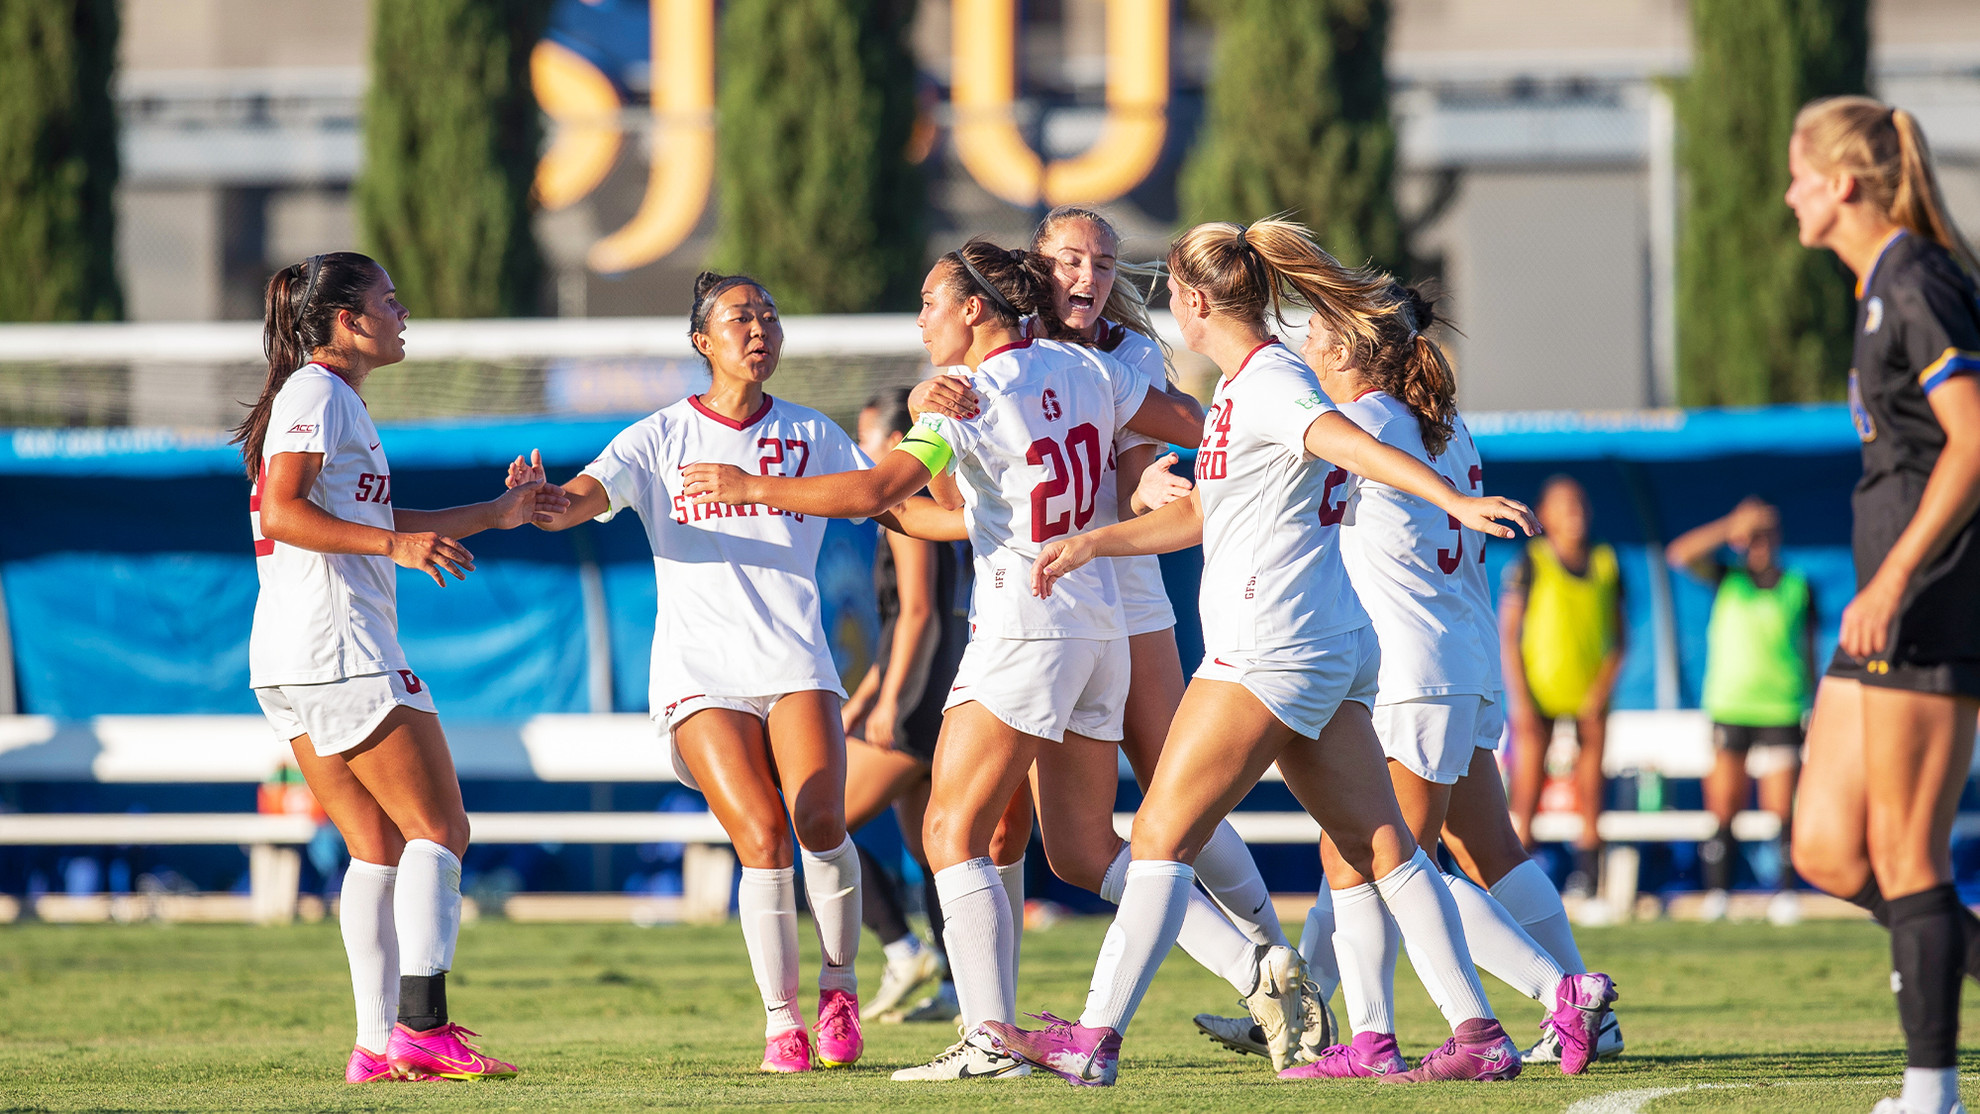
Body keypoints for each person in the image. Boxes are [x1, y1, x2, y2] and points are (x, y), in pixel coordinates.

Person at [979, 218, 1540, 1087]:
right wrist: (1095, 542)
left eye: (1171, 292)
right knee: (1382, 844)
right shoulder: (1247, 384)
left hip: (1268, 645)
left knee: (1159, 836)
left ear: (1195, 302)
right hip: (1324, 644)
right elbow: (1205, 513)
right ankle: (1476, 1032)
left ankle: (1093, 1040)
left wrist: (1450, 499)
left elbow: (1345, 442)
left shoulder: (1272, 381)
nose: (1167, 307)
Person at [681, 238, 1217, 1081]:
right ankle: (1255, 964)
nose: (922, 319)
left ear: (974, 309)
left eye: (931, 302)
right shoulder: (1089, 367)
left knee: (949, 831)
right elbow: (1198, 425)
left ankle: (989, 1039)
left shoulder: (964, 398)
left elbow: (874, 493)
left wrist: (751, 485)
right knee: (1086, 848)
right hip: (1101, 631)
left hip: (1023, 627)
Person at [914, 209, 1318, 1067]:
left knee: (1175, 794)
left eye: (1104, 263)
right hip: (1056, 594)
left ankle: (1267, 962)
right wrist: (928, 402)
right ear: (1035, 267)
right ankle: (997, 1022)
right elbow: (969, 498)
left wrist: (1146, 490)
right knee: (1023, 835)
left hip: (1112, 597)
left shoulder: (1121, 354)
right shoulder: (1007, 355)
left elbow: (1156, 447)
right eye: (1071, 260)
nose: (1089, 278)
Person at [1188, 283, 1610, 1081]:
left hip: (1409, 666)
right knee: (1452, 850)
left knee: (1394, 862)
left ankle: (1561, 992)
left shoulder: (1364, 425)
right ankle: (1364, 1029)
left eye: (1316, 333)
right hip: (1460, 657)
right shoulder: (1441, 423)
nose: (1303, 346)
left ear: (1350, 349)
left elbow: (1278, 481)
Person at [514, 272, 872, 1075]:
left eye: (770, 315)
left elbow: (885, 497)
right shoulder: (659, 437)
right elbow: (578, 500)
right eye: (741, 317)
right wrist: (545, 501)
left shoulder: (812, 431)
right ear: (703, 341)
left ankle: (839, 987)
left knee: (820, 820)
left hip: (796, 661)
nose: (760, 328)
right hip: (700, 671)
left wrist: (966, 501)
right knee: (763, 833)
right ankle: (782, 1023)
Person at [237, 251, 553, 1083]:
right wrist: (393, 546)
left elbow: (362, 510)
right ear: (347, 321)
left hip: (291, 656)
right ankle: (423, 1026)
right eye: (388, 299)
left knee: (376, 846)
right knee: (440, 830)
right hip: (339, 647)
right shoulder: (317, 392)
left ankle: (376, 1045)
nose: (402, 311)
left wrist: (496, 513)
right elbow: (284, 512)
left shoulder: (326, 396)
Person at [1780, 95, 1980, 1114]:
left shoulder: (1917, 279)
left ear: (1843, 184)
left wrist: (1896, 576)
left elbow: (1973, 440)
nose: (1789, 196)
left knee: (1908, 855)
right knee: (1824, 847)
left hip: (1925, 596)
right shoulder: (1876, 288)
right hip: (1880, 607)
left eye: (1798, 177)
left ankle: (1930, 1090)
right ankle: (1942, 961)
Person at [839, 388, 969, 1023]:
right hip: (918, 684)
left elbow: (917, 612)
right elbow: (897, 628)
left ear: (900, 443)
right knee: (930, 849)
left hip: (919, 693)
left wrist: (889, 702)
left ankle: (900, 949)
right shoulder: (912, 506)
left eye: (867, 438)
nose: (859, 449)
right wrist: (863, 698)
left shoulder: (910, 504)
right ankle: (957, 985)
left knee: (814, 826)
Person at [1667, 497, 1813, 925]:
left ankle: (1785, 892)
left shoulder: (1798, 586)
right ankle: (1719, 892)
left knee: (1781, 807)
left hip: (1782, 708)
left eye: (1766, 535)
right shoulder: (1727, 577)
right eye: (1752, 537)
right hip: (1731, 706)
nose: (1759, 544)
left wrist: (1813, 705)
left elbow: (1809, 651)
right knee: (1724, 804)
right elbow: (1680, 554)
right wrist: (1732, 523)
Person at [1501, 475, 1626, 898]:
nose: (1575, 513)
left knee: (1591, 791)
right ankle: (1519, 884)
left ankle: (1589, 882)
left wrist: (1600, 691)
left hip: (1589, 695)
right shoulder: (1531, 562)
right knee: (1527, 792)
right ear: (1544, 514)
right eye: (1564, 505)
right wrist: (1520, 700)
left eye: (1580, 503)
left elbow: (1620, 639)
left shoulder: (1606, 562)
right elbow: (1509, 635)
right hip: (1538, 695)